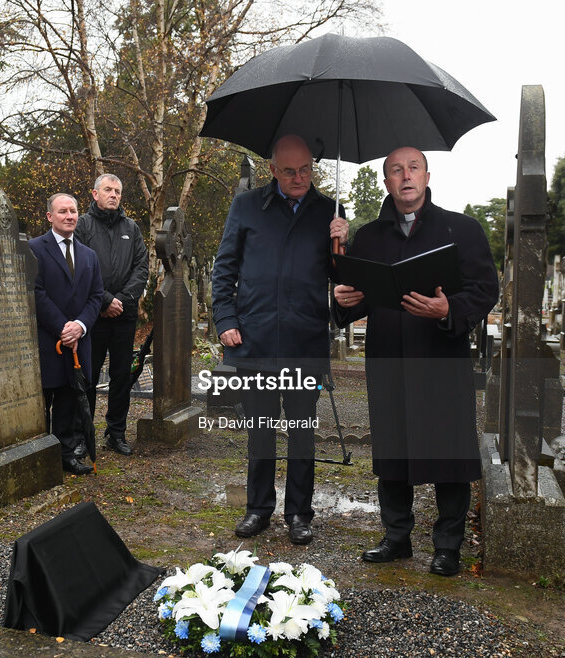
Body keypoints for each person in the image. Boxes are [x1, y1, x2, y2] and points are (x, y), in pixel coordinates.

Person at [334, 146, 499, 575]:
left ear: (427, 176)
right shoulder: (369, 237)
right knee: (393, 445)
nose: (405, 176)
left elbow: (485, 290)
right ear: (387, 181)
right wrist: (341, 297)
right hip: (388, 356)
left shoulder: (461, 229)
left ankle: (447, 545)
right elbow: (353, 299)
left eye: (413, 168)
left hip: (441, 356)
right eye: (395, 170)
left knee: (447, 448)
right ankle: (396, 537)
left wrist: (449, 311)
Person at [212, 134, 348, 546]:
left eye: (305, 169)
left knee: (303, 430)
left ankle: (299, 514)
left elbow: (344, 282)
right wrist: (224, 318)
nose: (299, 177)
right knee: (260, 429)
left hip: (305, 341)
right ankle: (258, 508)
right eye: (289, 171)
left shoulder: (329, 212)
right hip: (254, 339)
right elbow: (225, 267)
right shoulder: (247, 206)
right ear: (272, 170)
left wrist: (344, 241)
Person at [74, 174, 149, 457]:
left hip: (124, 316)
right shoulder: (82, 226)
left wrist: (121, 300)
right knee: (88, 378)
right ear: (95, 194)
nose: (113, 195)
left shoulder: (132, 227)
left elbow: (141, 267)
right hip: (93, 315)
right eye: (108, 190)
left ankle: (115, 433)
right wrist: (105, 300)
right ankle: (83, 436)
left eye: (117, 191)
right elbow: (80, 267)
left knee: (121, 377)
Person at [30, 193, 104, 475]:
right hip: (48, 341)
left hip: (77, 343)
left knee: (67, 400)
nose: (70, 216)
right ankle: (38, 457)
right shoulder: (34, 249)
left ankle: (66, 455)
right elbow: (36, 292)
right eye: (63, 211)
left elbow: (96, 296)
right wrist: (63, 327)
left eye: (73, 211)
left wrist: (80, 326)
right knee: (41, 402)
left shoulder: (89, 255)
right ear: (50, 216)